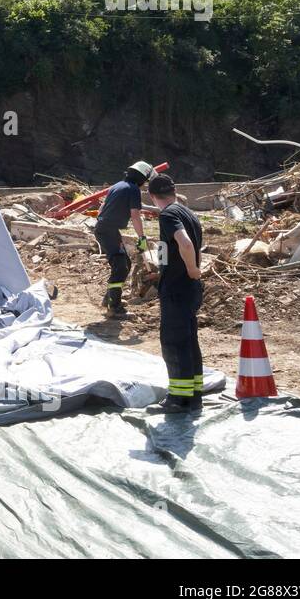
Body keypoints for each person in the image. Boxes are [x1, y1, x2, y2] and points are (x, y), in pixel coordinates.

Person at [147, 174, 205, 413]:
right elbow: (171, 247)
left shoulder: (169, 214)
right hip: (188, 289)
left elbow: (186, 243)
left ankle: (177, 399)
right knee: (189, 341)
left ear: (151, 196)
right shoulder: (187, 212)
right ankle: (193, 395)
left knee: (174, 343)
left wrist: (192, 270)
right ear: (175, 190)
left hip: (178, 288)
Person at [95, 161, 154, 317]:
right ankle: (114, 307)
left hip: (106, 229)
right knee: (121, 267)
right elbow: (135, 215)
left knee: (124, 263)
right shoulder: (133, 190)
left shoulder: (118, 186)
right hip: (108, 230)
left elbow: (101, 208)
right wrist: (142, 238)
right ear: (142, 178)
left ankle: (110, 298)